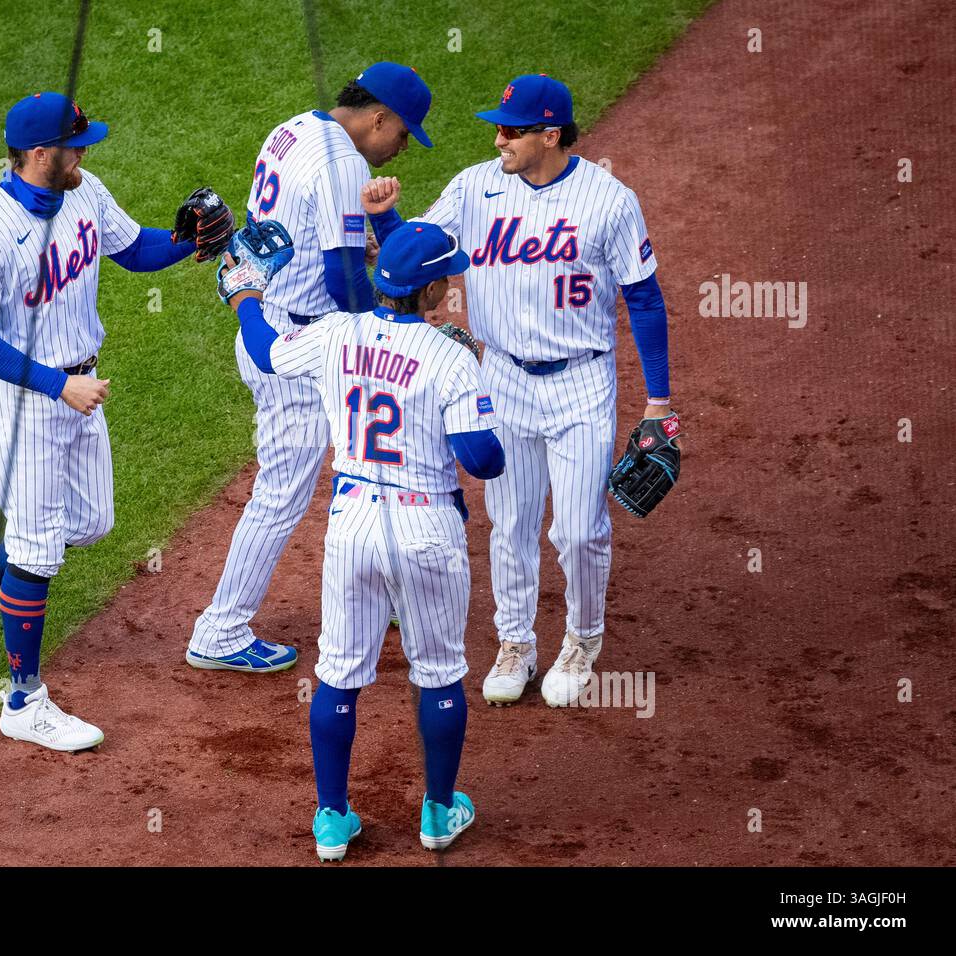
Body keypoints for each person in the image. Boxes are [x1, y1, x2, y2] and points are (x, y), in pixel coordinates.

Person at [0, 91, 232, 750]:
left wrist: (187, 241)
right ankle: (23, 700)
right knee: (38, 544)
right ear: (40, 154)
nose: (87, 151)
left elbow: (135, 250)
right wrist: (57, 384)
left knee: (88, 522)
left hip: (78, 384)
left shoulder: (84, 190)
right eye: (77, 143)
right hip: (25, 400)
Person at [362, 74, 676, 707]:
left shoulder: (609, 201)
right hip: (501, 377)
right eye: (496, 127)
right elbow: (411, 254)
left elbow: (643, 296)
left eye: (511, 130)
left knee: (581, 530)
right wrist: (384, 213)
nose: (498, 138)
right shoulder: (475, 187)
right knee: (509, 524)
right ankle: (516, 641)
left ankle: (582, 639)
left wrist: (659, 401)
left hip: (582, 380)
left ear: (550, 135)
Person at [215, 218, 504, 861]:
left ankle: (332, 820)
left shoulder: (336, 333)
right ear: (432, 290)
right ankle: (437, 812)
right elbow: (482, 461)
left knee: (338, 675)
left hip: (351, 523)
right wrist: (474, 391)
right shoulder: (451, 356)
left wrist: (243, 294)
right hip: (426, 522)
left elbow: (265, 351)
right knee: (439, 672)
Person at [185, 63, 435, 673]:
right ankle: (219, 630)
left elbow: (295, 234)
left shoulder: (293, 128)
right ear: (378, 116)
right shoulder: (344, 162)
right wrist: (380, 322)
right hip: (296, 344)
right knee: (283, 491)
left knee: (377, 448)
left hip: (277, 316)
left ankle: (389, 580)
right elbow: (342, 280)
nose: (400, 148)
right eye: (402, 135)